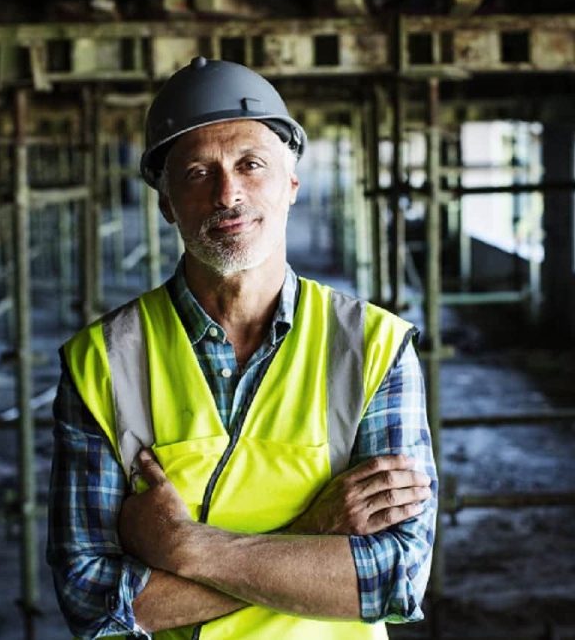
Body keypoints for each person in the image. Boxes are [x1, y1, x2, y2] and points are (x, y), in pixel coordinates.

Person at [47, 56, 437, 640]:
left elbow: (393, 578)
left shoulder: (374, 346)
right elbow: (93, 603)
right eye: (199, 172)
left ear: (291, 186)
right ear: (167, 202)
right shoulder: (103, 360)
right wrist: (316, 533)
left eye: (251, 165)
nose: (228, 193)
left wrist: (185, 548)